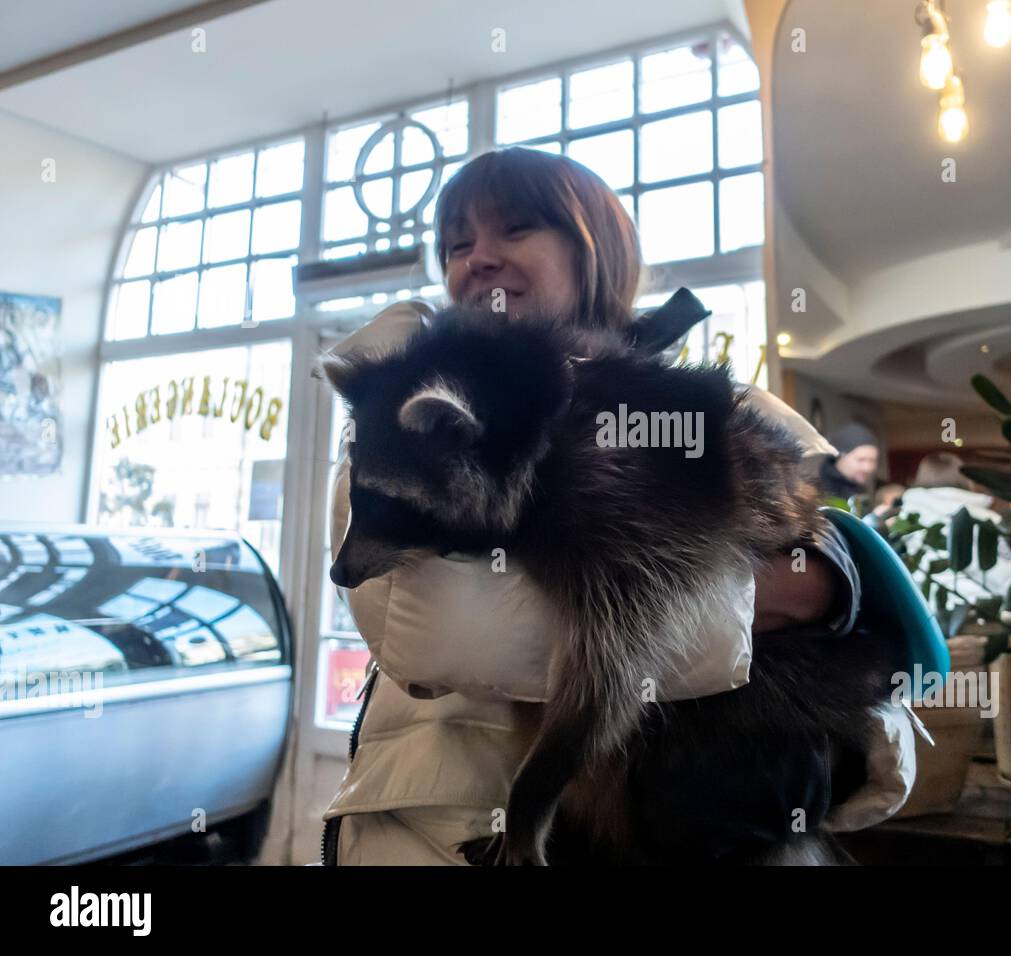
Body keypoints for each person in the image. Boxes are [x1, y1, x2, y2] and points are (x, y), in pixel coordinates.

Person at [321, 147, 915, 864]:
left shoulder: (724, 409)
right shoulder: (410, 425)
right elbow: (441, 632)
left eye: (515, 230)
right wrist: (757, 595)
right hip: (435, 833)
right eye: (455, 244)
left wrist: (830, 584)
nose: (476, 258)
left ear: (593, 249)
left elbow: (868, 681)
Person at [894, 451, 1011, 613]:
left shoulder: (905, 519)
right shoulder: (979, 518)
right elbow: (1010, 578)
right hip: (977, 612)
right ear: (964, 478)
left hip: (924, 613)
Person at [815, 422, 880, 504]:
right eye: (861, 460)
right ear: (841, 456)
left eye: (872, 461)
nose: (867, 468)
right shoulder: (820, 494)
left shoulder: (859, 490)